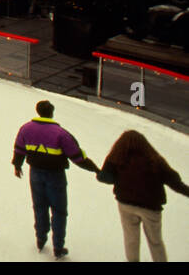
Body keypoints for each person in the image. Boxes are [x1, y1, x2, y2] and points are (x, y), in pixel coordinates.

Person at [12, 100, 100, 259]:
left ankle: (40, 239)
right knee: (59, 211)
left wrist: (17, 166)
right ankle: (58, 247)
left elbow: (19, 149)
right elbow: (77, 157)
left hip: (35, 174)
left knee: (39, 206)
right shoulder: (61, 133)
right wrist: (95, 169)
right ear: (51, 113)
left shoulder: (26, 129)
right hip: (55, 176)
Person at [96, 130, 189, 262]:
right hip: (150, 208)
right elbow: (175, 182)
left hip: (125, 205)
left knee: (131, 240)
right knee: (155, 241)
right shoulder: (155, 161)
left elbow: (104, 177)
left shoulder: (116, 158)